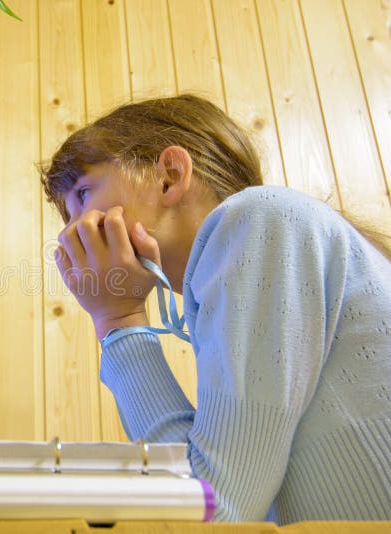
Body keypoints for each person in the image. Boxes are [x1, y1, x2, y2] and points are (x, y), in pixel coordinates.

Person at [40, 94, 391, 523]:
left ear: (170, 176)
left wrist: (118, 320)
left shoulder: (256, 220)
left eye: (83, 193)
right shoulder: (236, 263)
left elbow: (214, 510)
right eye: (68, 215)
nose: (73, 232)